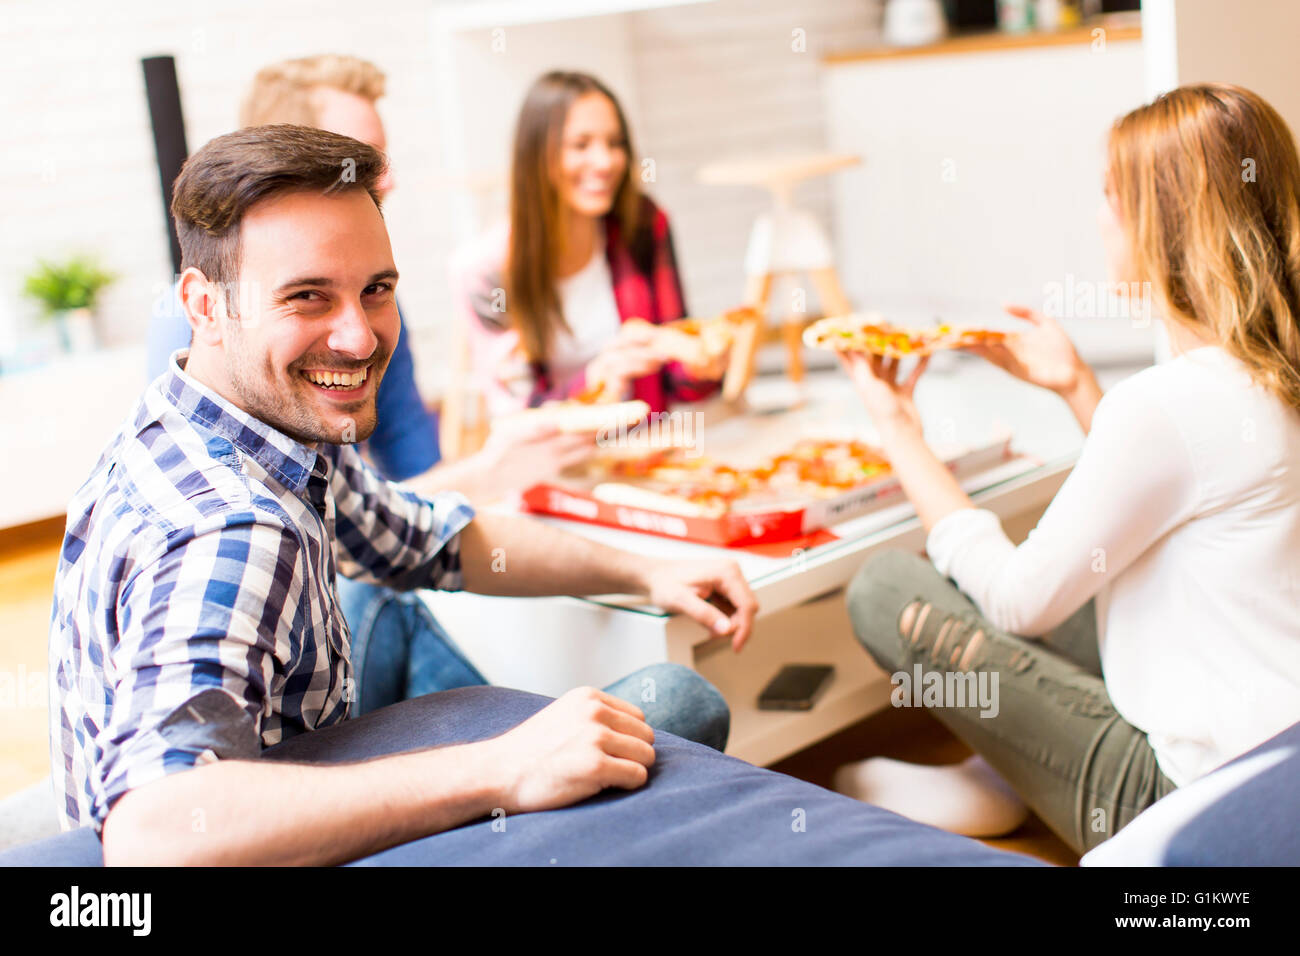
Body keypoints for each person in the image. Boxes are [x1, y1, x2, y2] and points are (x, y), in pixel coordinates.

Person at [52, 125, 757, 865]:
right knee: (677, 702)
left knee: (392, 605)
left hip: (279, 765)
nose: (358, 338)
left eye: (376, 290)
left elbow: (428, 536)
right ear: (204, 304)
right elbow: (156, 832)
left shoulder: (221, 418)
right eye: (307, 297)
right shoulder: (234, 528)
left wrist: (649, 572)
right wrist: (503, 768)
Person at [837, 83, 1300, 855]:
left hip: (1188, 793)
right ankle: (1005, 779)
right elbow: (1176, 486)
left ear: (1161, 226)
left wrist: (898, 431)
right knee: (1106, 571)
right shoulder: (1270, 371)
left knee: (885, 585)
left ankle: (1007, 781)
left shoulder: (1165, 405)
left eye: (1110, 199)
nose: (1099, 218)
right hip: (1278, 758)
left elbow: (1021, 604)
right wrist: (1077, 386)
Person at [146, 55, 593, 712]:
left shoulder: (371, 315)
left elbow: (400, 500)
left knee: (666, 701)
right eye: (364, 160)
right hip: (319, 630)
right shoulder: (208, 358)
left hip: (355, 607)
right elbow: (333, 546)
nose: (387, 180)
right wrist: (488, 472)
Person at [455, 70, 726, 418]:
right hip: (558, 464)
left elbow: (677, 382)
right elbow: (519, 415)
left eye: (615, 143)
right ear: (536, 155)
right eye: (581, 145)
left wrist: (701, 367)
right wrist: (596, 379)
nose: (605, 161)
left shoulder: (643, 223)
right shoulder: (486, 270)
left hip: (652, 449)